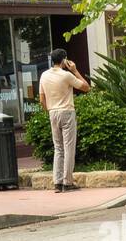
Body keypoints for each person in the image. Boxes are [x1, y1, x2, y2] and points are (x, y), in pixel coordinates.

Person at [38, 48, 90, 193]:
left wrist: (49, 110)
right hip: (67, 112)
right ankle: (67, 182)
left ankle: (57, 182)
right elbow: (86, 87)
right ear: (64, 60)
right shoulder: (66, 75)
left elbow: (42, 99)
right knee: (69, 148)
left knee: (58, 148)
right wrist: (75, 70)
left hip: (52, 112)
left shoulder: (44, 75)